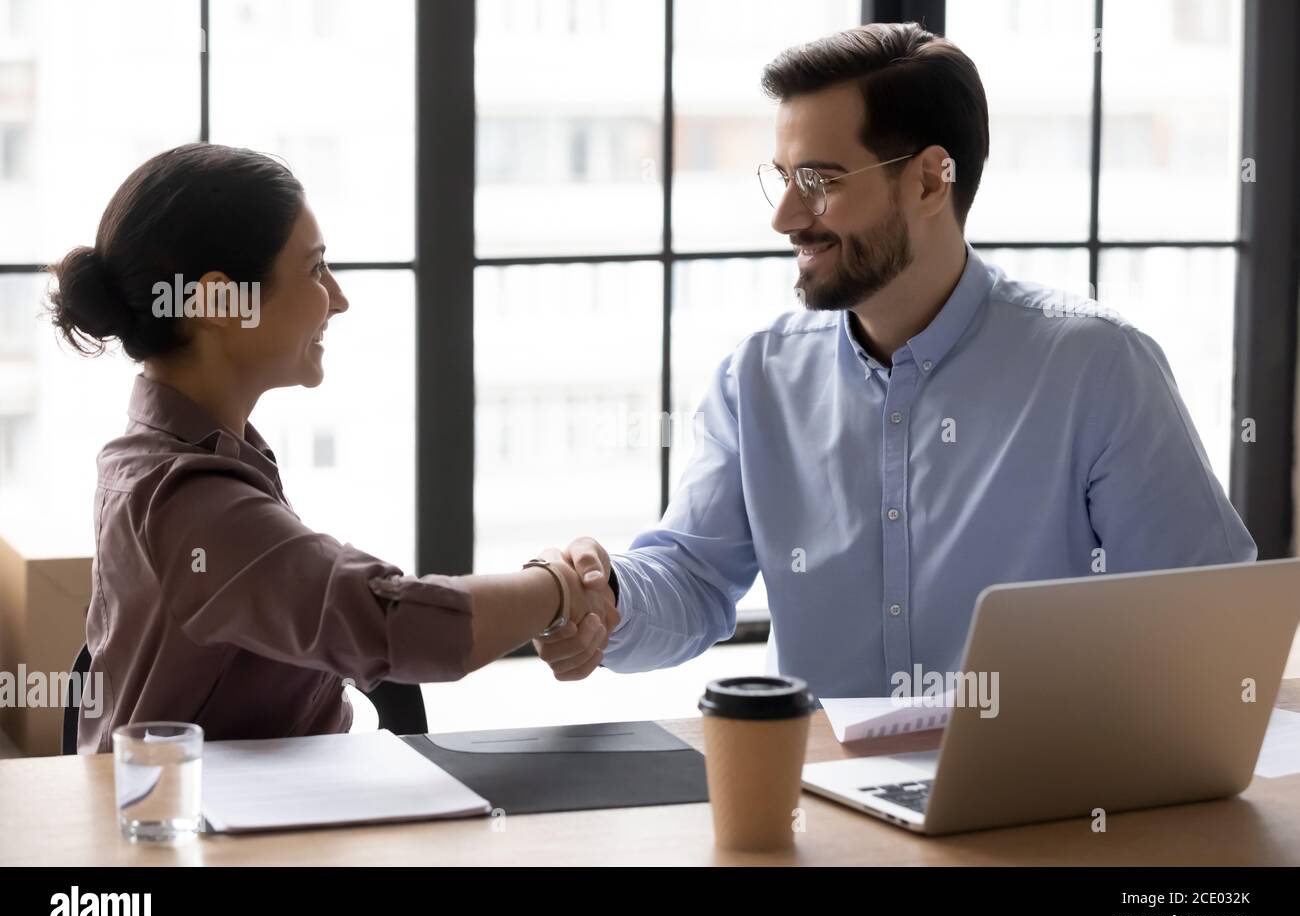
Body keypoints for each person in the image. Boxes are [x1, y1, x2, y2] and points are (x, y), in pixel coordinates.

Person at [549, 22, 1256, 701]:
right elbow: (695, 579)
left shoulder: (1098, 369)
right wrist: (606, 599)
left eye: (820, 182)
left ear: (927, 181)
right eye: (784, 178)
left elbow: (1206, 623)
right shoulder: (759, 377)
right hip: (819, 807)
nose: (786, 217)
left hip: (1037, 806)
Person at [48, 143, 616, 753]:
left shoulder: (172, 455)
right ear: (217, 302)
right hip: (194, 832)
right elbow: (389, 627)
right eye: (315, 268)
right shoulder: (190, 500)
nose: (338, 298)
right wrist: (556, 587)